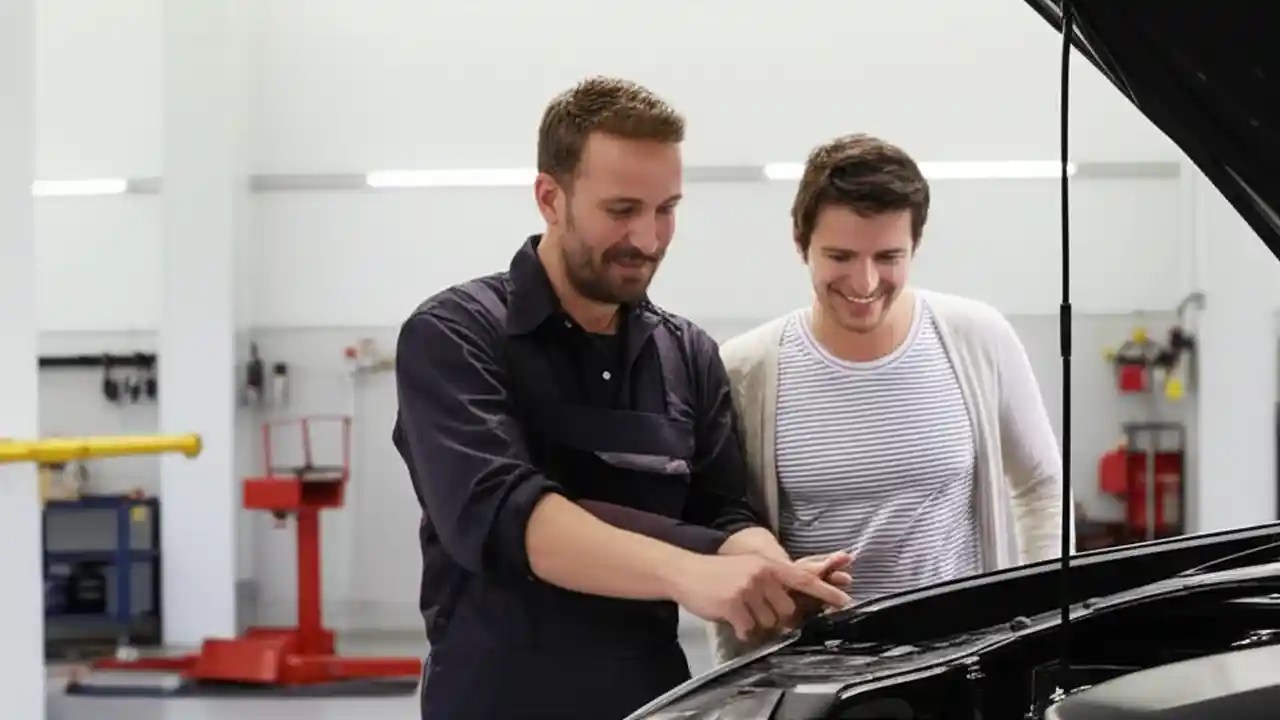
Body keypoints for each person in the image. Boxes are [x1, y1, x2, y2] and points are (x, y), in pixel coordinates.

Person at [391, 76, 853, 720]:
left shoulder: (687, 353)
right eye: (621, 210)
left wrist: (768, 569)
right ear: (550, 198)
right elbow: (501, 513)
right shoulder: (454, 335)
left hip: (651, 702)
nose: (649, 238)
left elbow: (722, 509)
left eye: (666, 209)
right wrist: (690, 572)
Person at [709, 133, 1069, 663]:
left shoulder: (978, 337)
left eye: (888, 256)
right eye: (840, 256)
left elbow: (1038, 483)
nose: (865, 281)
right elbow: (726, 539)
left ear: (915, 247)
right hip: (817, 680)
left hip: (963, 666)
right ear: (799, 241)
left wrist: (1043, 622)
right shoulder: (744, 371)